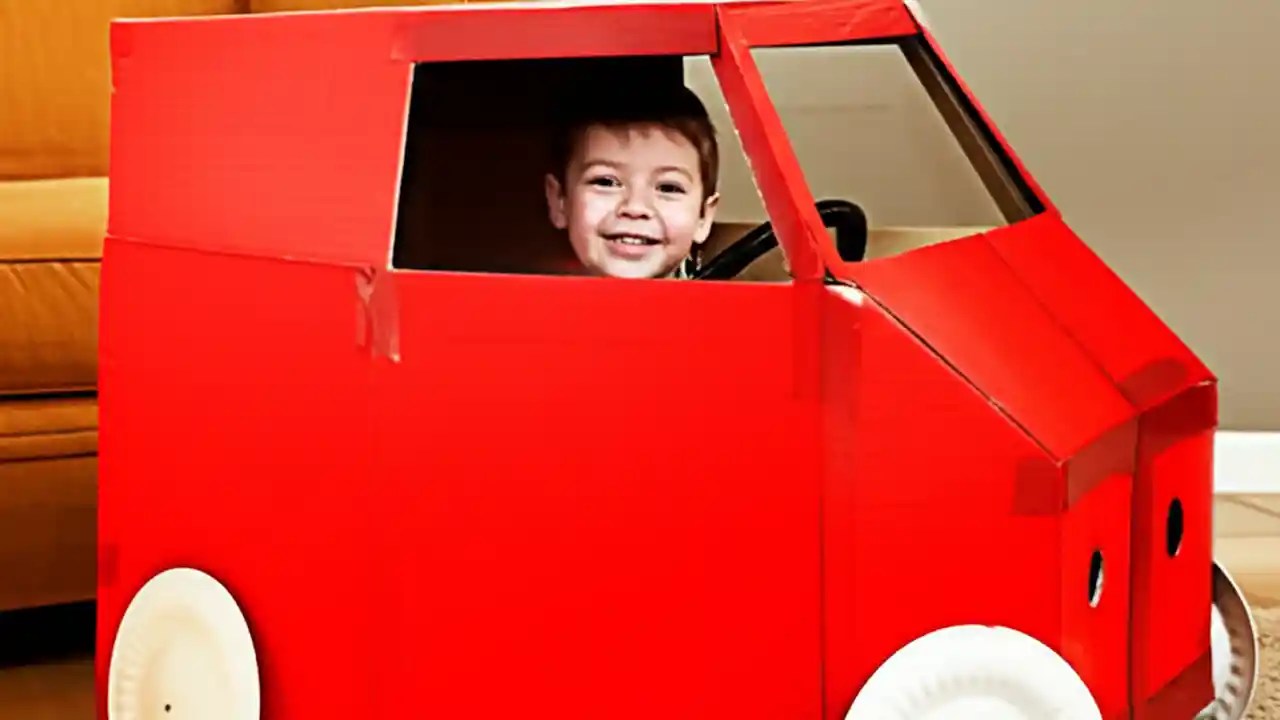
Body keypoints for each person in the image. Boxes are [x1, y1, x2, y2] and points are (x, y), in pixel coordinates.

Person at [543, 84, 721, 280]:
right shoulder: (532, 307)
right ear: (559, 201)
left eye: (668, 188)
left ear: (704, 217)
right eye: (605, 182)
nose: (635, 208)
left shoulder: (721, 310)